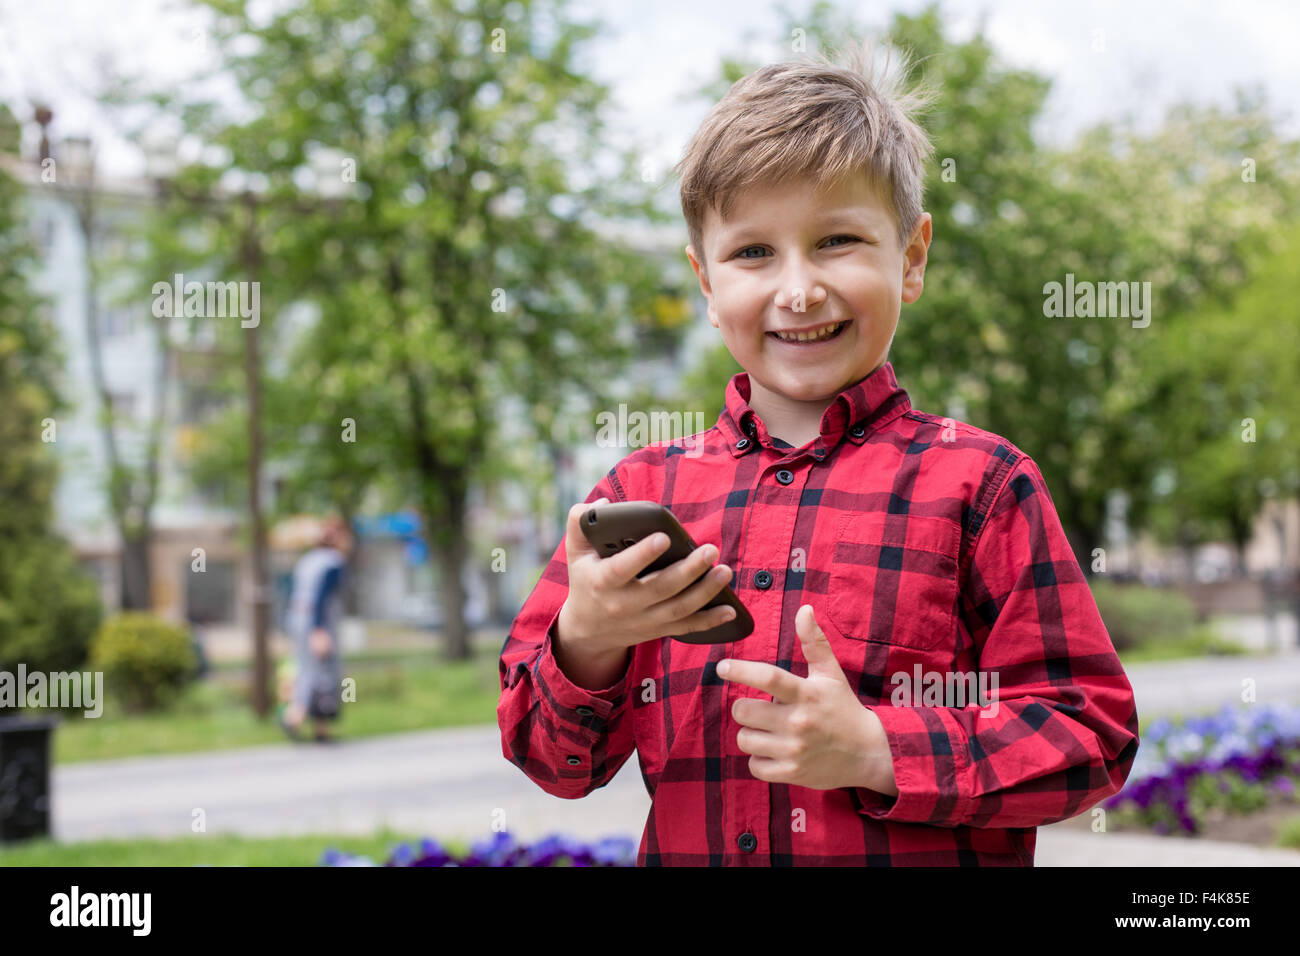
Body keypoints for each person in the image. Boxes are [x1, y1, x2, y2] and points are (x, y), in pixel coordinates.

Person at [497, 40, 1139, 865]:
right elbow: (552, 761)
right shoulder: (639, 493)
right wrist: (586, 639)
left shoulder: (982, 486)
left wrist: (878, 749)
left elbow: (1091, 730)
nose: (798, 289)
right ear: (705, 281)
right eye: (753, 253)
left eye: (837, 240)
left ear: (910, 258)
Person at [280, 516, 352, 743]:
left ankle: (319, 728)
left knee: (304, 669)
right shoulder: (334, 562)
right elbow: (322, 597)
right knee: (321, 673)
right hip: (318, 624)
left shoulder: (307, 561)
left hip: (297, 620)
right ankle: (295, 718)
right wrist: (319, 630)